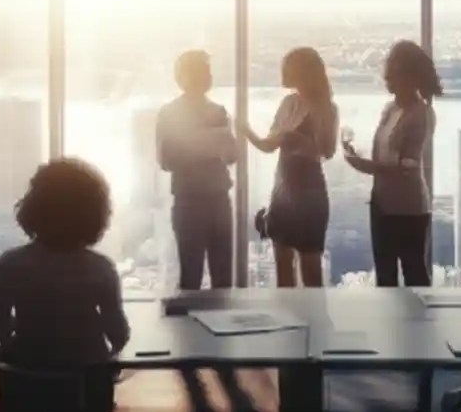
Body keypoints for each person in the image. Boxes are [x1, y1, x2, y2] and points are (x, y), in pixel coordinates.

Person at [0, 158, 130, 412]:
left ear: (33, 208)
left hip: (25, 378)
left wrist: (24, 330)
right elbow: (118, 334)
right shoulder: (101, 268)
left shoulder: (11, 264)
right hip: (85, 382)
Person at [343, 40, 441, 287]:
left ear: (409, 77)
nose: (387, 80)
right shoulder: (389, 109)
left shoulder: (422, 114)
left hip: (408, 207)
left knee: (414, 273)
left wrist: (365, 166)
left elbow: (407, 167)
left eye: (393, 74)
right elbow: (386, 154)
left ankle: (419, 324)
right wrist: (359, 156)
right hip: (382, 202)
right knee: (384, 275)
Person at [241, 47, 338, 288]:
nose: (282, 73)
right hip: (283, 192)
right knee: (283, 270)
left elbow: (327, 151)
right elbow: (268, 145)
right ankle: (291, 322)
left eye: (287, 68)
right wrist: (245, 131)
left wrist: (298, 140)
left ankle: (314, 323)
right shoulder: (288, 103)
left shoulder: (326, 108)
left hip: (308, 193)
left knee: (310, 270)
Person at [157, 50, 237, 290]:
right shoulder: (170, 113)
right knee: (191, 275)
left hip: (217, 200)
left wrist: (196, 145)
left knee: (222, 278)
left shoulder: (219, 111)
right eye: (201, 71)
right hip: (189, 201)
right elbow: (165, 160)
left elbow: (232, 156)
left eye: (207, 71)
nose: (206, 76)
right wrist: (210, 145)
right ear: (182, 77)